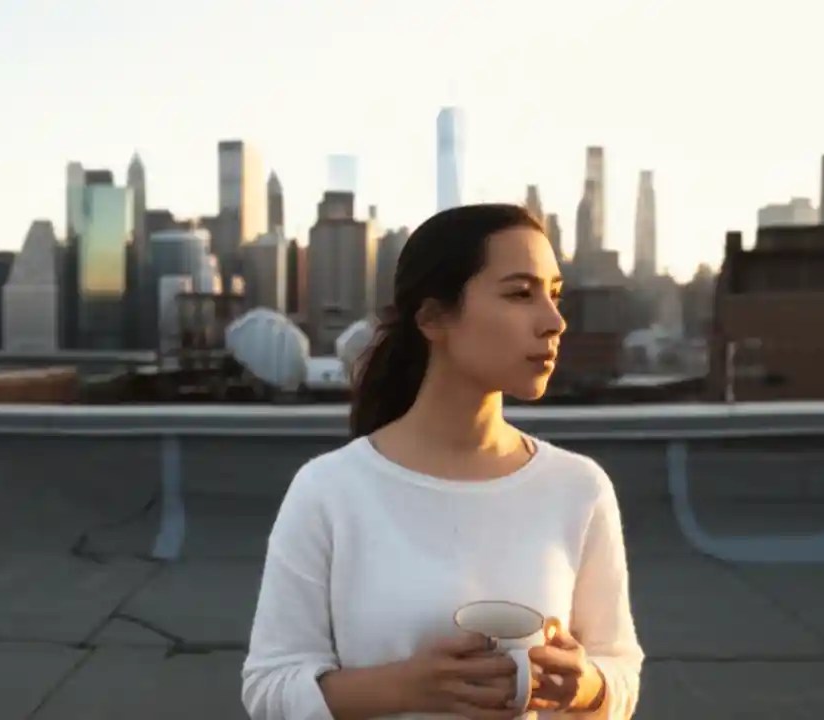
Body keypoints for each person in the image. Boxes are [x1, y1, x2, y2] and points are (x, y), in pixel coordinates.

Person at [241, 204, 643, 719]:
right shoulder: (330, 490)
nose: (554, 322)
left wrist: (584, 686)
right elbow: (270, 689)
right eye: (520, 294)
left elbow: (619, 669)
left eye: (554, 295)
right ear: (433, 318)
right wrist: (409, 688)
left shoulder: (579, 487)